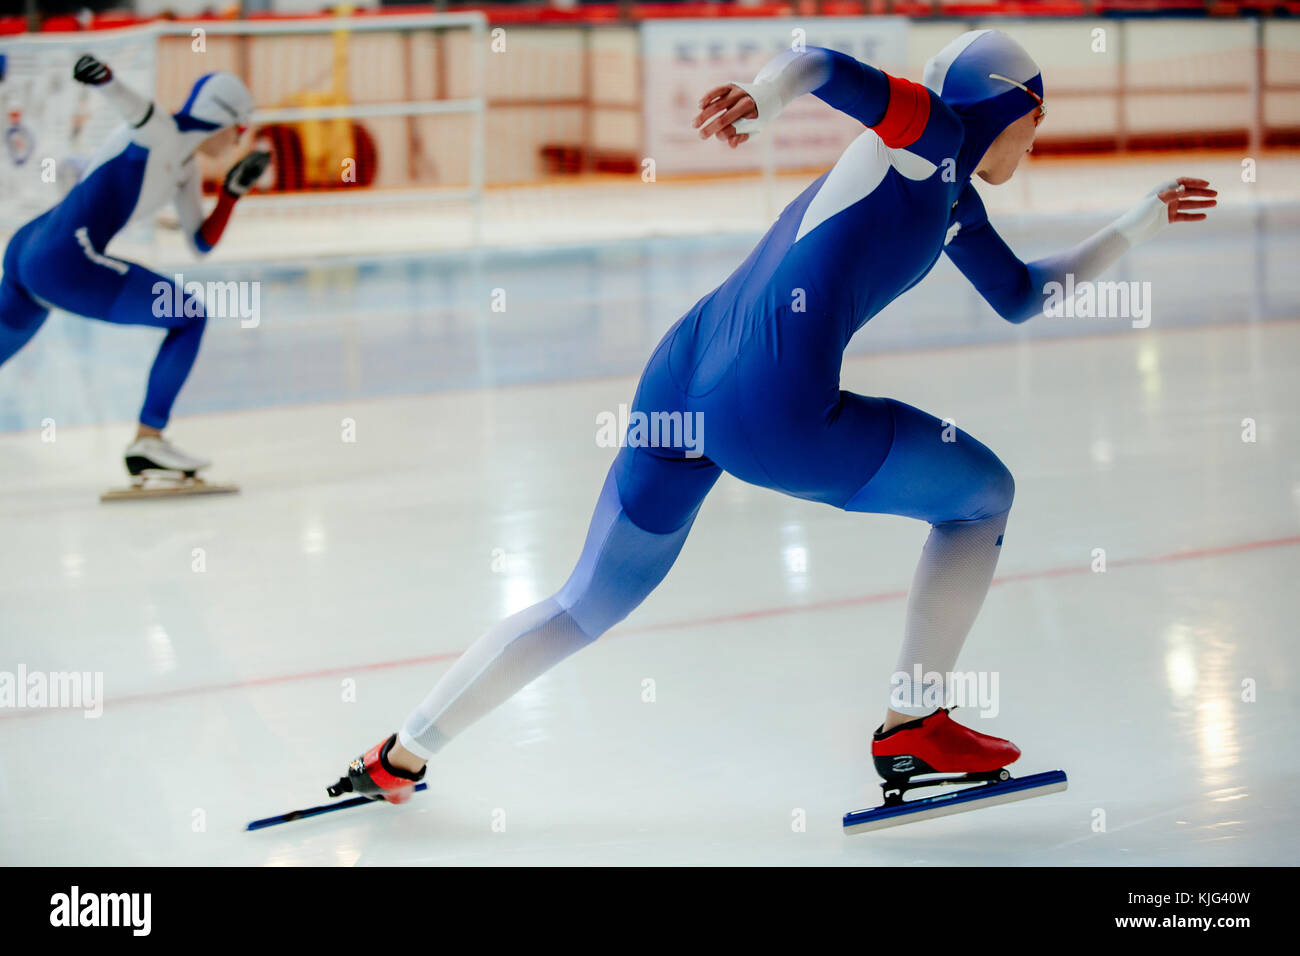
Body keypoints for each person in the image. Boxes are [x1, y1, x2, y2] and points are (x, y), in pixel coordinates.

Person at [328, 30, 1216, 806]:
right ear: (1009, 105)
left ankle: (403, 752)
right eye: (1039, 117)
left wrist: (1135, 222)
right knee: (981, 496)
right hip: (771, 407)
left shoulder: (952, 198)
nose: (1040, 136)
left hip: (681, 378)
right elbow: (820, 63)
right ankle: (914, 722)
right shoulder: (929, 133)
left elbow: (1020, 297)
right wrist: (759, 96)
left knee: (585, 600)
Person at [0, 55, 269, 480]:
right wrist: (105, 78)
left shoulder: (186, 167)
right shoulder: (159, 131)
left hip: (29, 248)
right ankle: (149, 440)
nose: (239, 142)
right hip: (65, 260)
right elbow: (133, 105)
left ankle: (151, 440)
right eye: (241, 131)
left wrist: (232, 195)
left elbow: (199, 243)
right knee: (190, 317)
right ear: (225, 121)